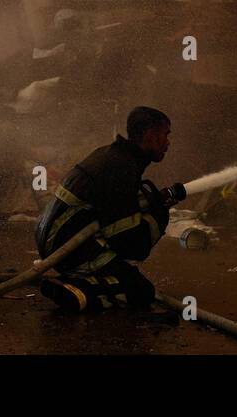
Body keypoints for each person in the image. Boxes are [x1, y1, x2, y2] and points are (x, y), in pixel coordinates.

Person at [35, 106, 183, 313]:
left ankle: (77, 281)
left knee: (127, 276)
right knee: (140, 291)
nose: (167, 143)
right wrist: (158, 214)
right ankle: (79, 291)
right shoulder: (120, 168)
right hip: (68, 246)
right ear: (149, 134)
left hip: (59, 239)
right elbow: (129, 245)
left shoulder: (114, 157)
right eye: (165, 135)